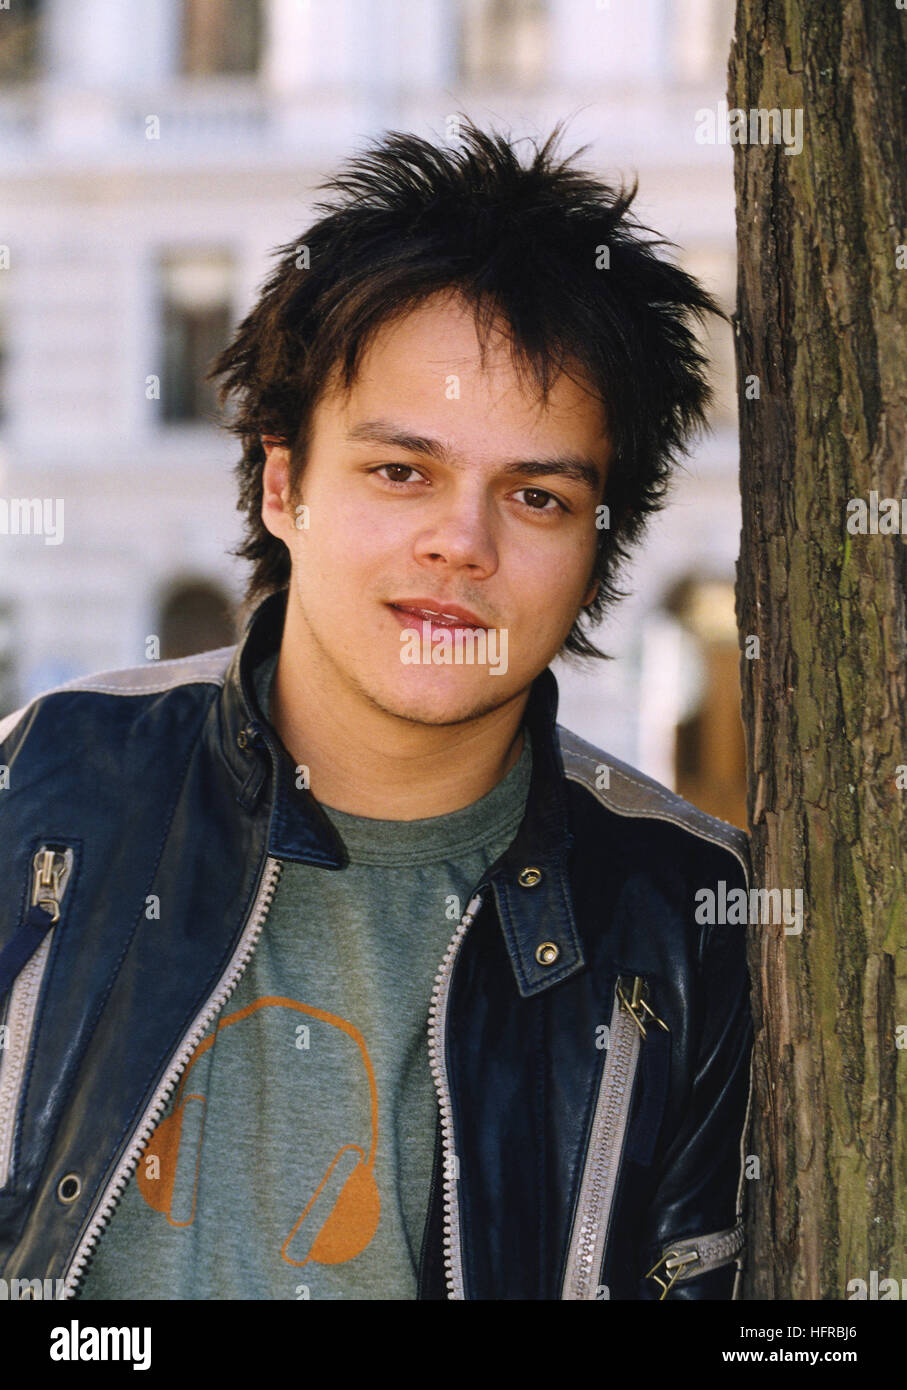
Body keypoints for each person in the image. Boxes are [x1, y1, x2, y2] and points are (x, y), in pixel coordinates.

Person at [0, 120, 752, 1301]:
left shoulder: (688, 918)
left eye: (538, 496)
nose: (461, 541)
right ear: (284, 483)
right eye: (402, 471)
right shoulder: (44, 783)